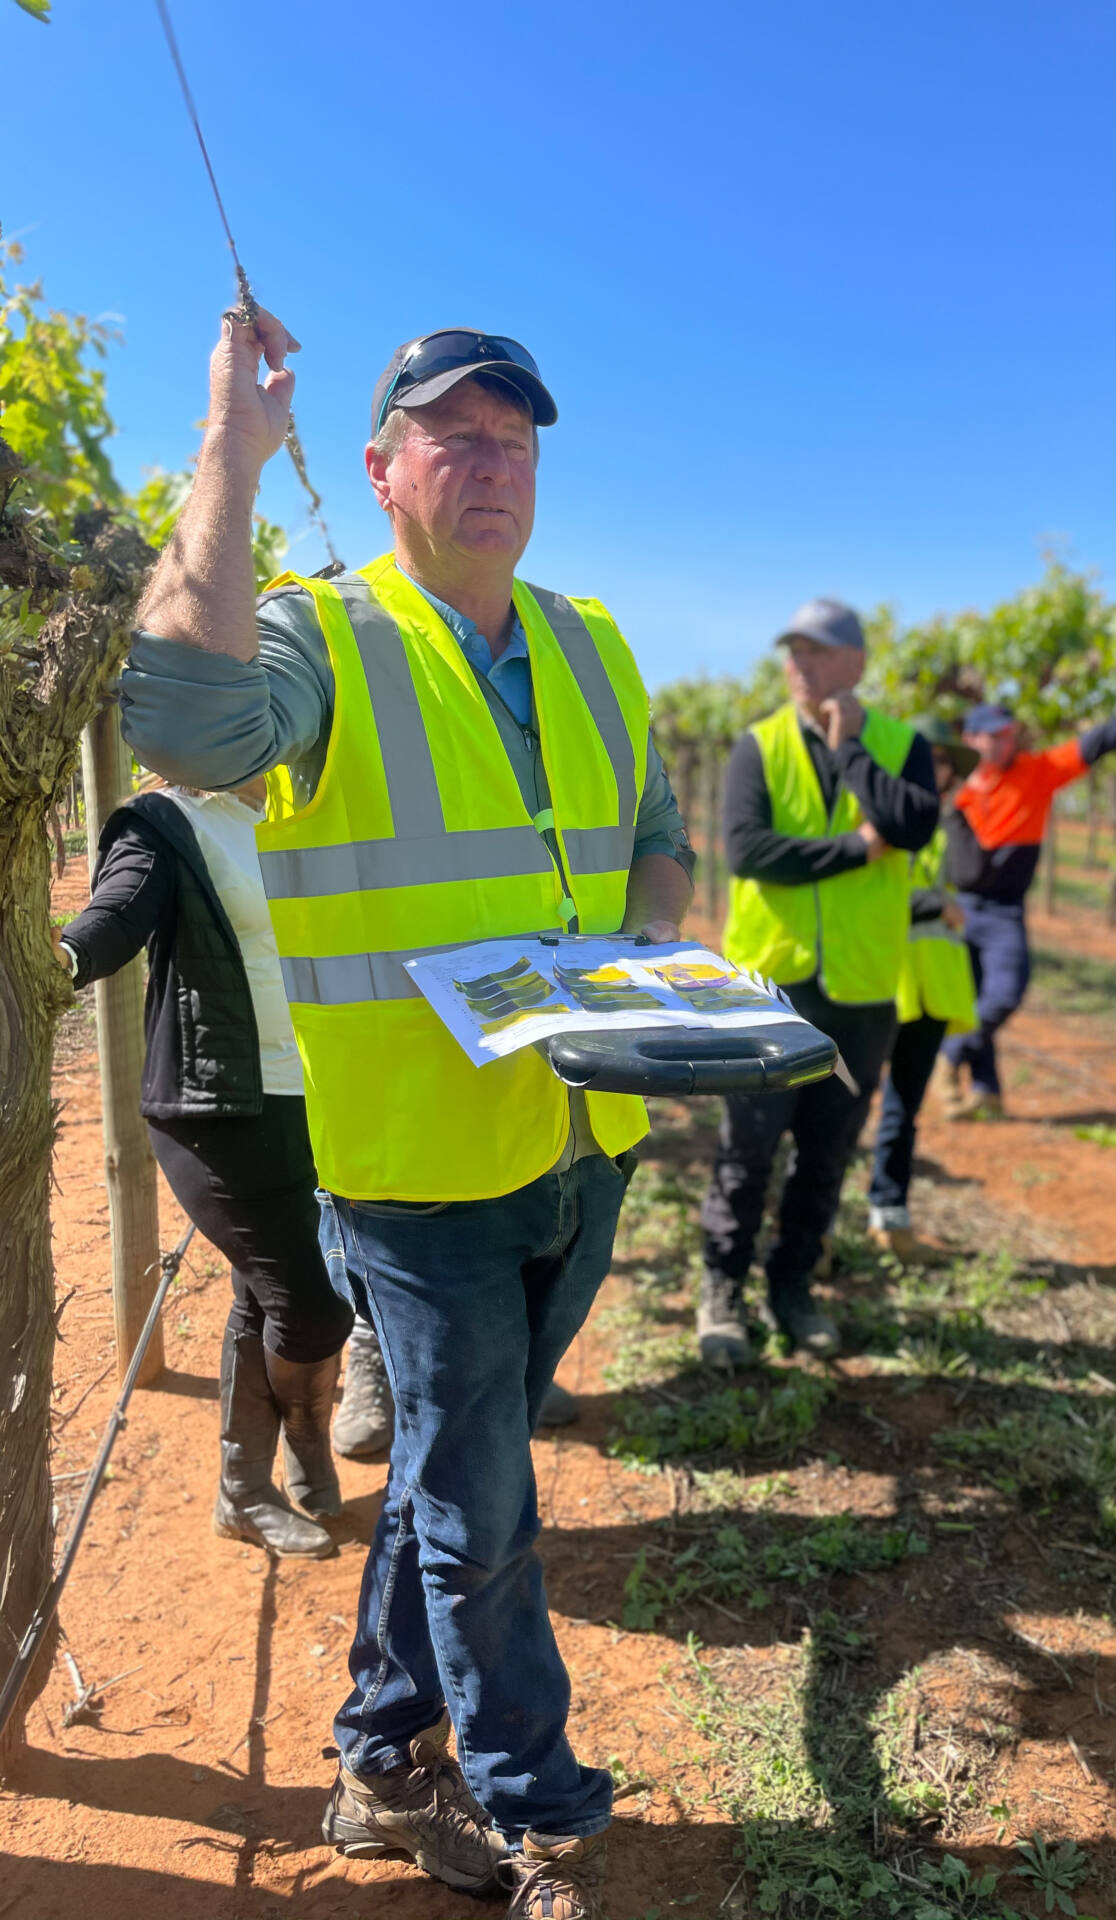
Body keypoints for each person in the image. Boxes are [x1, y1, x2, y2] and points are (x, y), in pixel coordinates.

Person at [120, 312, 694, 1917]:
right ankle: (545, 1815)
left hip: (585, 1148)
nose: (492, 455)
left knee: (465, 1462)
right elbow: (179, 723)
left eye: (516, 433)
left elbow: (651, 824)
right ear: (379, 471)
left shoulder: (594, 641)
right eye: (452, 430)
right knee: (482, 1501)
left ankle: (379, 1762)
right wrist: (230, 453)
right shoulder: (323, 637)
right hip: (418, 1169)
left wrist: (655, 953)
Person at [56, 775, 353, 1558]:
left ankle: (248, 1487)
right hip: (216, 1106)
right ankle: (298, 1449)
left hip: (313, 1095)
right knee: (316, 1308)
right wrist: (55, 960)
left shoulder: (306, 811)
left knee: (266, 1290)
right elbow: (116, 912)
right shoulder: (166, 820)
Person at [698, 599, 938, 1366]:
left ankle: (794, 1288)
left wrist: (857, 751)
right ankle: (722, 1291)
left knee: (826, 1154)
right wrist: (852, 851)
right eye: (793, 652)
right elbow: (750, 851)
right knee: (747, 1151)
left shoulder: (902, 746)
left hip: (862, 991)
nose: (801, 664)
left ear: (858, 664)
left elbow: (912, 825)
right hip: (769, 984)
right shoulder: (757, 746)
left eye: (820, 651)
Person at [940, 696, 1116, 1118]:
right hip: (960, 907)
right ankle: (987, 1092)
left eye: (1007, 735)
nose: (1003, 743)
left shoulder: (1036, 772)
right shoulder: (958, 788)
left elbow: (1091, 745)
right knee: (971, 999)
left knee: (1003, 993)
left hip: (1003, 911)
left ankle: (950, 1053)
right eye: (992, 737)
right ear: (971, 739)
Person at [866, 715, 979, 1265]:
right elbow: (869, 895)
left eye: (940, 764)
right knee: (844, 1104)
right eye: (923, 761)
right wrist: (934, 904)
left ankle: (889, 1215)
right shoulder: (878, 820)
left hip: (931, 985)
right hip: (877, 979)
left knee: (902, 1107)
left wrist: (949, 814)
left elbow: (971, 870)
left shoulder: (950, 824)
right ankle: (811, 1223)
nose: (932, 772)